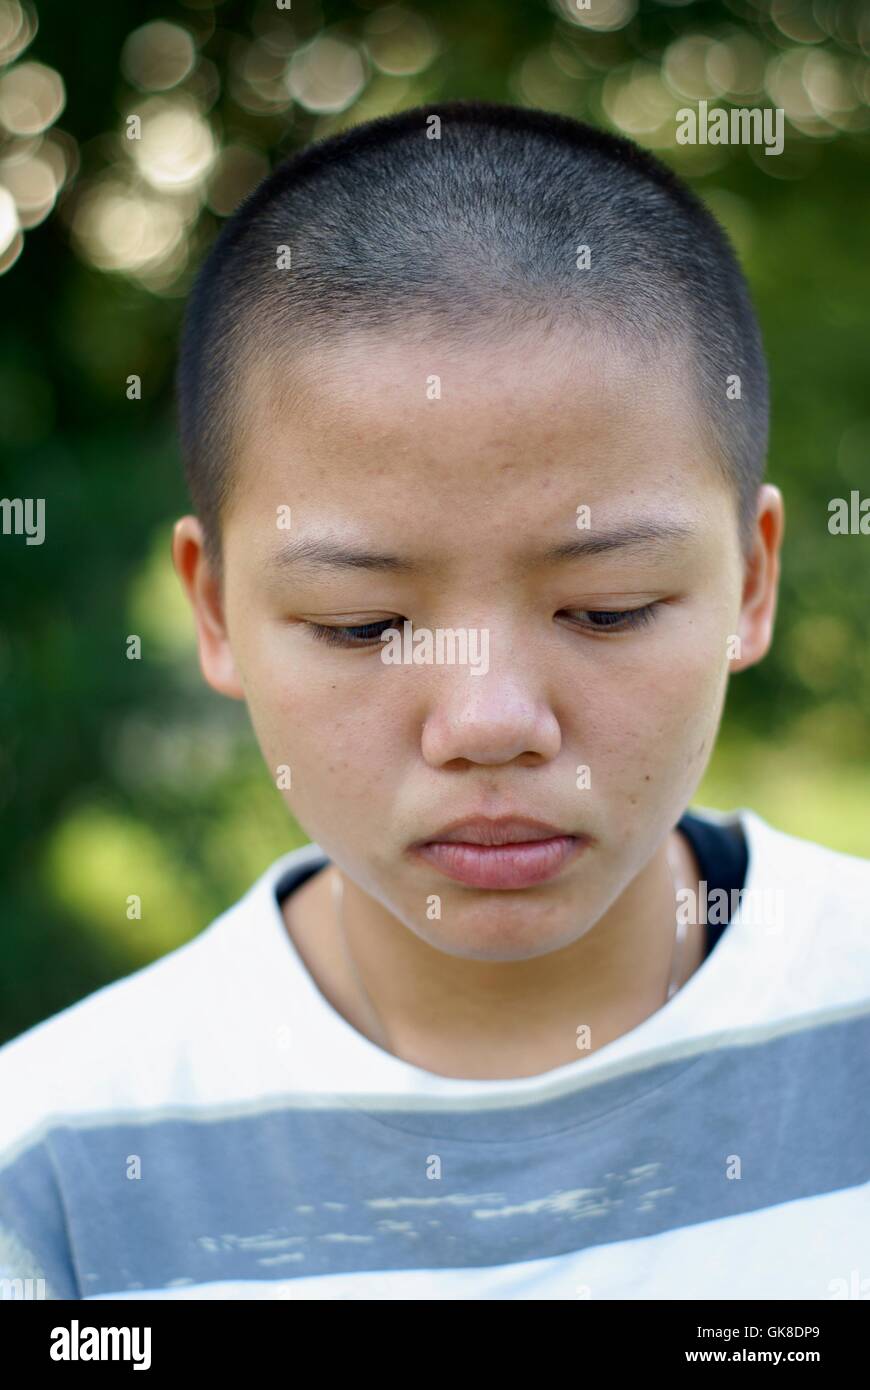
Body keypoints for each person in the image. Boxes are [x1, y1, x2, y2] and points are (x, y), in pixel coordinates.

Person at [2, 102, 868, 1302]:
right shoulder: (54, 1179)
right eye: (362, 625)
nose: (490, 721)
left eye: (607, 607)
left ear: (753, 579)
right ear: (214, 613)